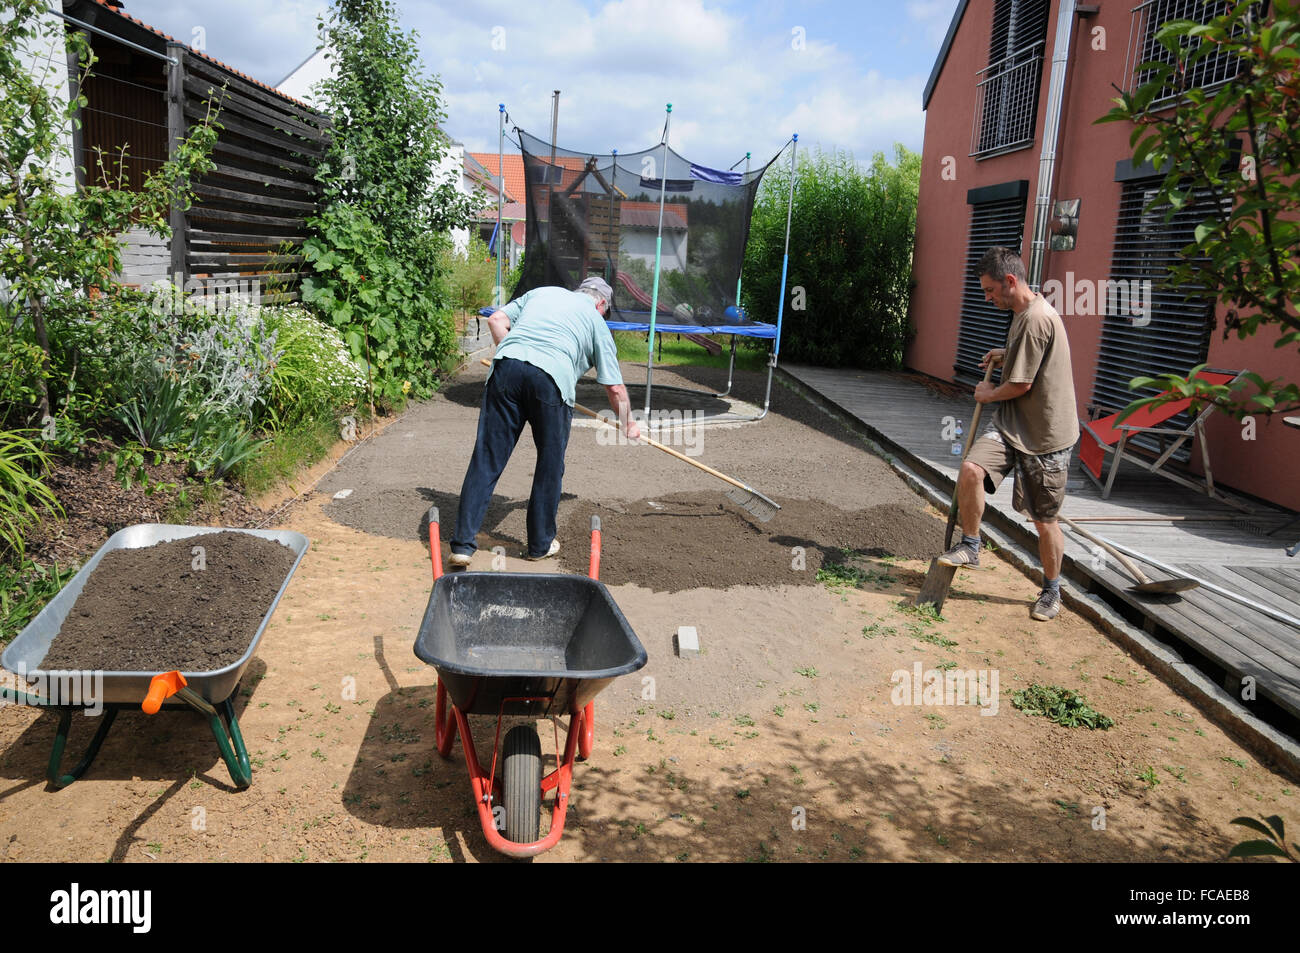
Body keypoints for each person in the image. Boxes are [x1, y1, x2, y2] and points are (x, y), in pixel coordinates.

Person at [449, 277, 641, 567]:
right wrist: (629, 424)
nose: (603, 315)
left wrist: (518, 362)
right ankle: (539, 545)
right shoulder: (596, 321)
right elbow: (614, 388)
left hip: (505, 369)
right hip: (552, 381)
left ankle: (463, 546)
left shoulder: (543, 291)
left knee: (487, 458)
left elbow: (496, 320)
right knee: (550, 465)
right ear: (601, 303)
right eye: (605, 310)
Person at [937, 247, 1080, 621]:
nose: (987, 299)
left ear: (1011, 281)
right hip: (1012, 424)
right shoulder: (1022, 313)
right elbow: (1028, 357)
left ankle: (1051, 591)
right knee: (971, 470)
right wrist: (1004, 351)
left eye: (989, 291)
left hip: (1046, 435)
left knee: (1043, 520)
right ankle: (971, 544)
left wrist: (986, 393)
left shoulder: (1035, 319)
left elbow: (1020, 384)